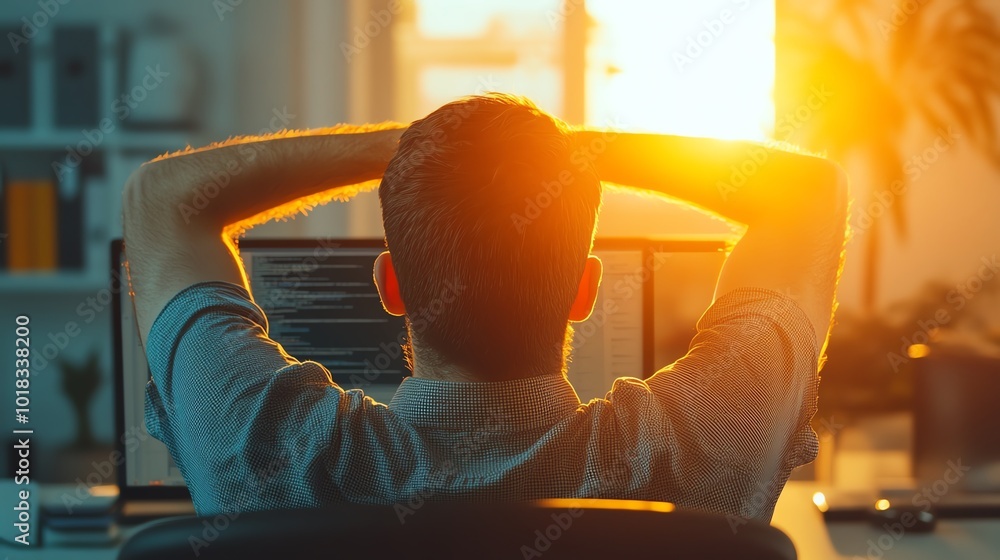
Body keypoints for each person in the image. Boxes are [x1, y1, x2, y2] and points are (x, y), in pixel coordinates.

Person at [123, 93, 847, 520]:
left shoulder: (268, 445)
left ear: (392, 287)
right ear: (582, 293)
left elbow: (162, 201)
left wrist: (398, 148)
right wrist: (578, 152)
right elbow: (806, 194)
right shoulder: (691, 452)